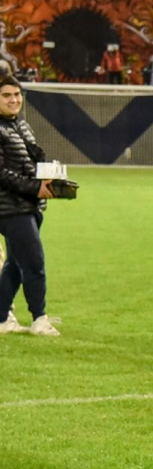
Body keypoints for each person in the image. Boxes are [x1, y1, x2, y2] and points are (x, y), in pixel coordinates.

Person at [0, 75, 57, 337]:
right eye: (6, 95)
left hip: (29, 206)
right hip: (10, 208)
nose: (14, 99)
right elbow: (2, 173)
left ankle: (1, 319)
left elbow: (32, 160)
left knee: (16, 264)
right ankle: (39, 319)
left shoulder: (21, 125)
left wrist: (51, 177)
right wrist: (36, 187)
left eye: (17, 94)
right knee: (33, 262)